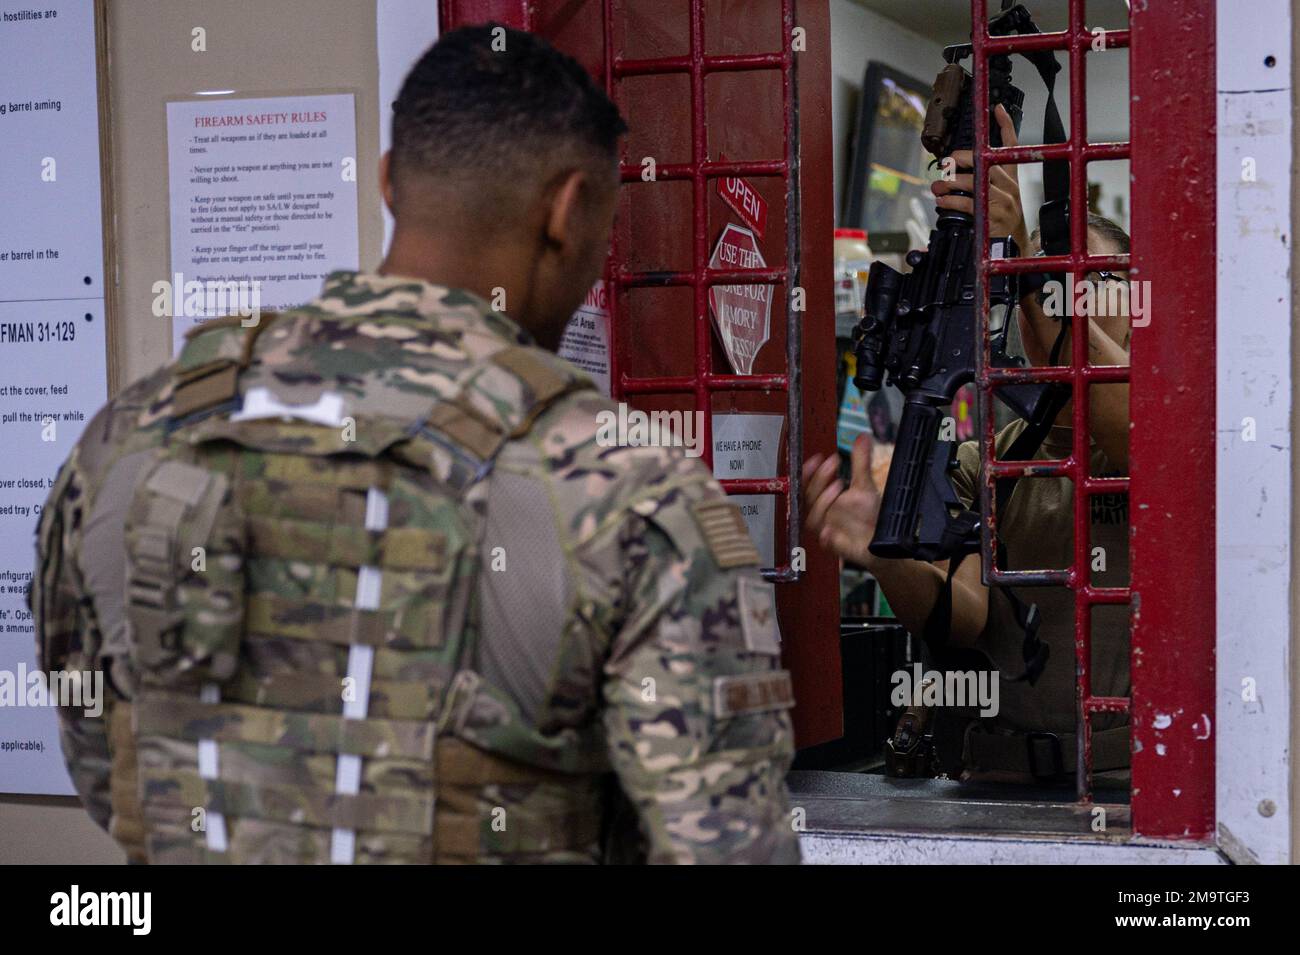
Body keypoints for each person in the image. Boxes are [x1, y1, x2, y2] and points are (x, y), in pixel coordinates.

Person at [30, 24, 799, 864]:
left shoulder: (132, 436)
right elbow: (725, 847)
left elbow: (109, 769)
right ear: (568, 210)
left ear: (390, 183)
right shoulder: (628, 486)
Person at [804, 105, 1132, 784]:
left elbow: (1114, 409)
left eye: (1100, 281)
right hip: (1000, 790)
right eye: (1069, 283)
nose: (1081, 298)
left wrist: (1027, 252)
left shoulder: (1158, 439)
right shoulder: (987, 460)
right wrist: (883, 556)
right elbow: (963, 615)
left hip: (1134, 793)